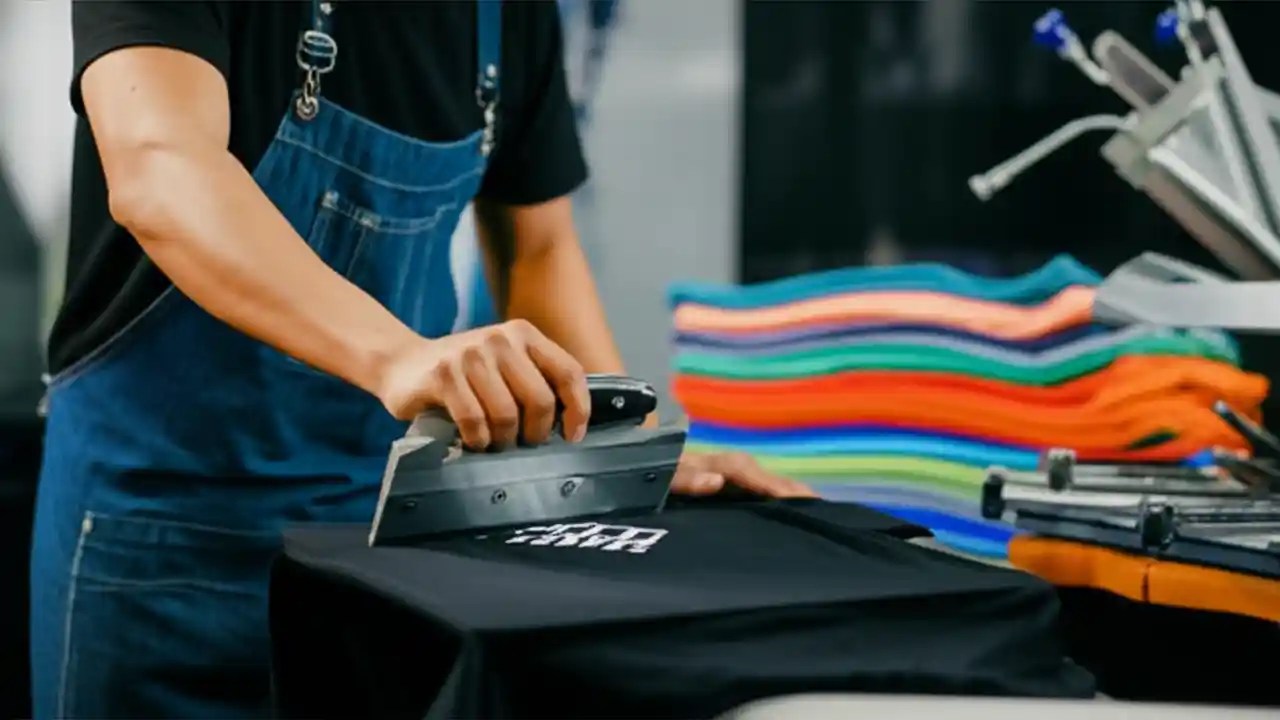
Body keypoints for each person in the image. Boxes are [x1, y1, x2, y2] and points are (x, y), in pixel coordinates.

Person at [30, 1, 815, 718]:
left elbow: (537, 246)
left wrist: (625, 445)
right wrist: (397, 356)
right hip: (158, 541)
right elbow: (160, 168)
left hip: (375, 552)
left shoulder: (505, 16)